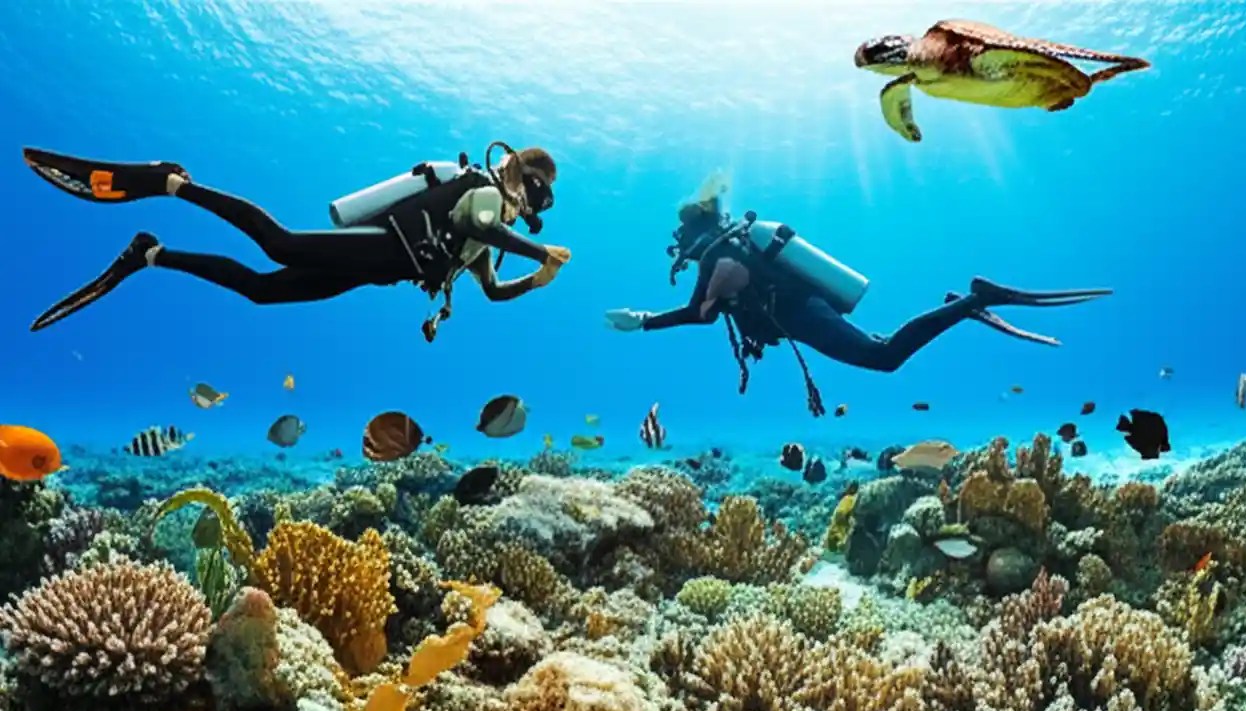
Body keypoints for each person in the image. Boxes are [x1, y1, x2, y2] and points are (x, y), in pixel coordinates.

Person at [605, 188, 1111, 416]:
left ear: (694, 232)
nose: (681, 247)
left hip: (804, 315)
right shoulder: (731, 250)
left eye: (682, 236)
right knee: (881, 352)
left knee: (883, 356)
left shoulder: (720, 258)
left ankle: (974, 299)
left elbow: (700, 315)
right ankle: (962, 304)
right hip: (803, 315)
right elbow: (713, 313)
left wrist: (645, 322)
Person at [22, 142, 571, 341]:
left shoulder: (487, 242)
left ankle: (150, 253)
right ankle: (171, 182)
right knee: (279, 244)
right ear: (521, 175)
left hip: (376, 268)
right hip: (380, 246)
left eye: (537, 204)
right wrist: (540, 252)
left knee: (262, 291)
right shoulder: (482, 192)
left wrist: (537, 281)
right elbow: (478, 225)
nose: (529, 206)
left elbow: (494, 292)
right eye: (532, 192)